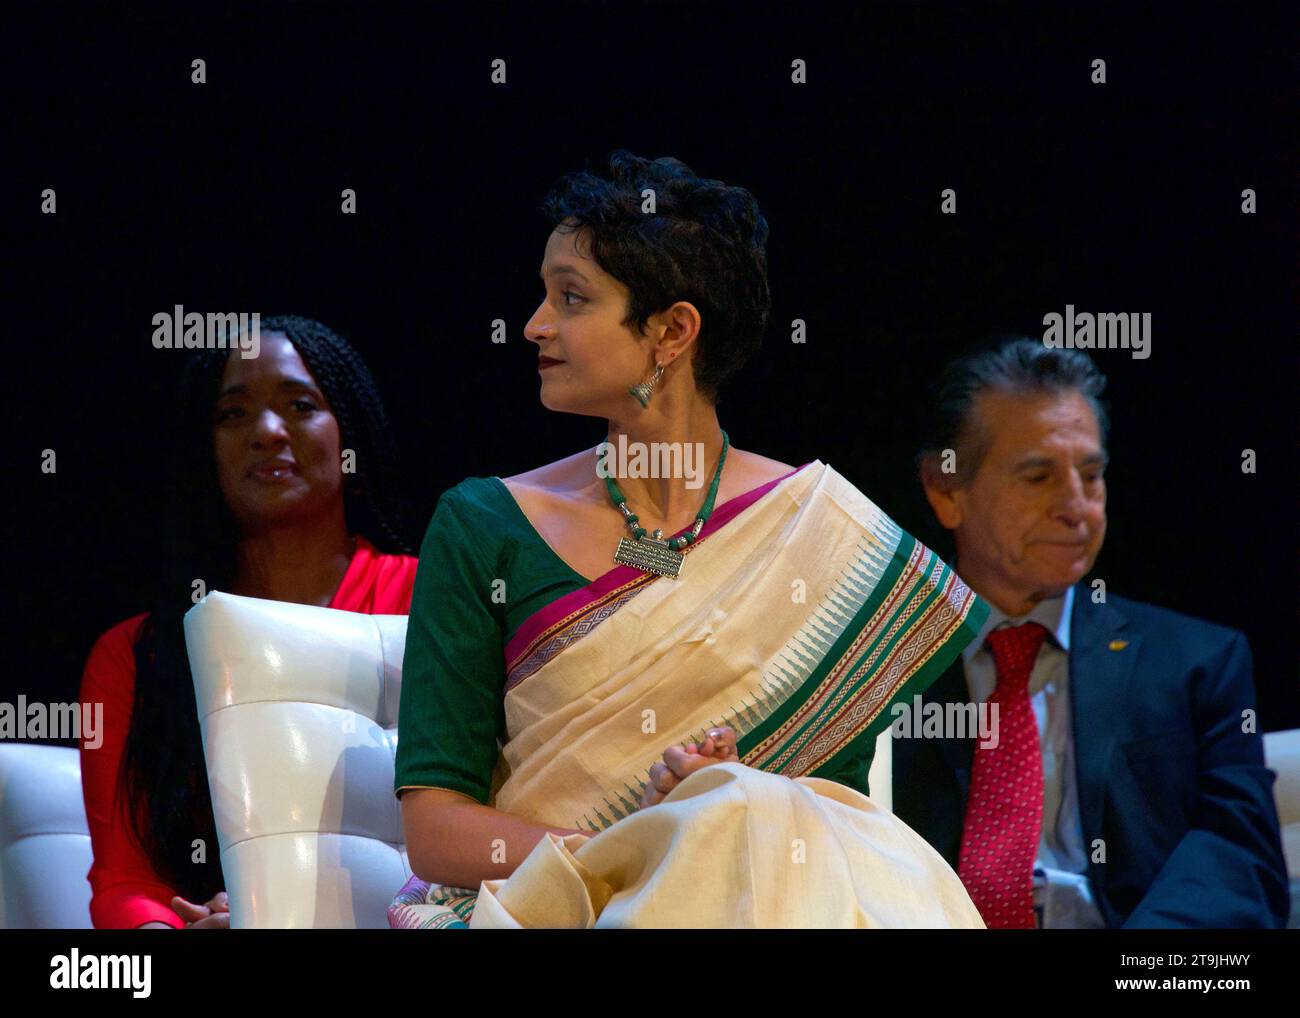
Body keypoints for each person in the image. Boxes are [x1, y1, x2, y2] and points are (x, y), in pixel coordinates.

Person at [390, 152, 989, 929]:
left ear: (672, 331)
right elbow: (435, 832)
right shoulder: (483, 524)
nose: (535, 325)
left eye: (570, 299)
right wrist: (658, 841)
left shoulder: (820, 533)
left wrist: (733, 806)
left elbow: (834, 822)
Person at [892, 337, 1289, 928]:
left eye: (1092, 474)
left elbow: (1239, 859)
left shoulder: (1197, 663)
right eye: (1038, 477)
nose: (1077, 507)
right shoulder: (883, 666)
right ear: (947, 491)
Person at [79, 315, 420, 929]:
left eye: (300, 404)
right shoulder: (134, 653)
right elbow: (126, 881)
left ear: (351, 430)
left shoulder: (433, 597)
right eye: (233, 414)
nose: (266, 431)